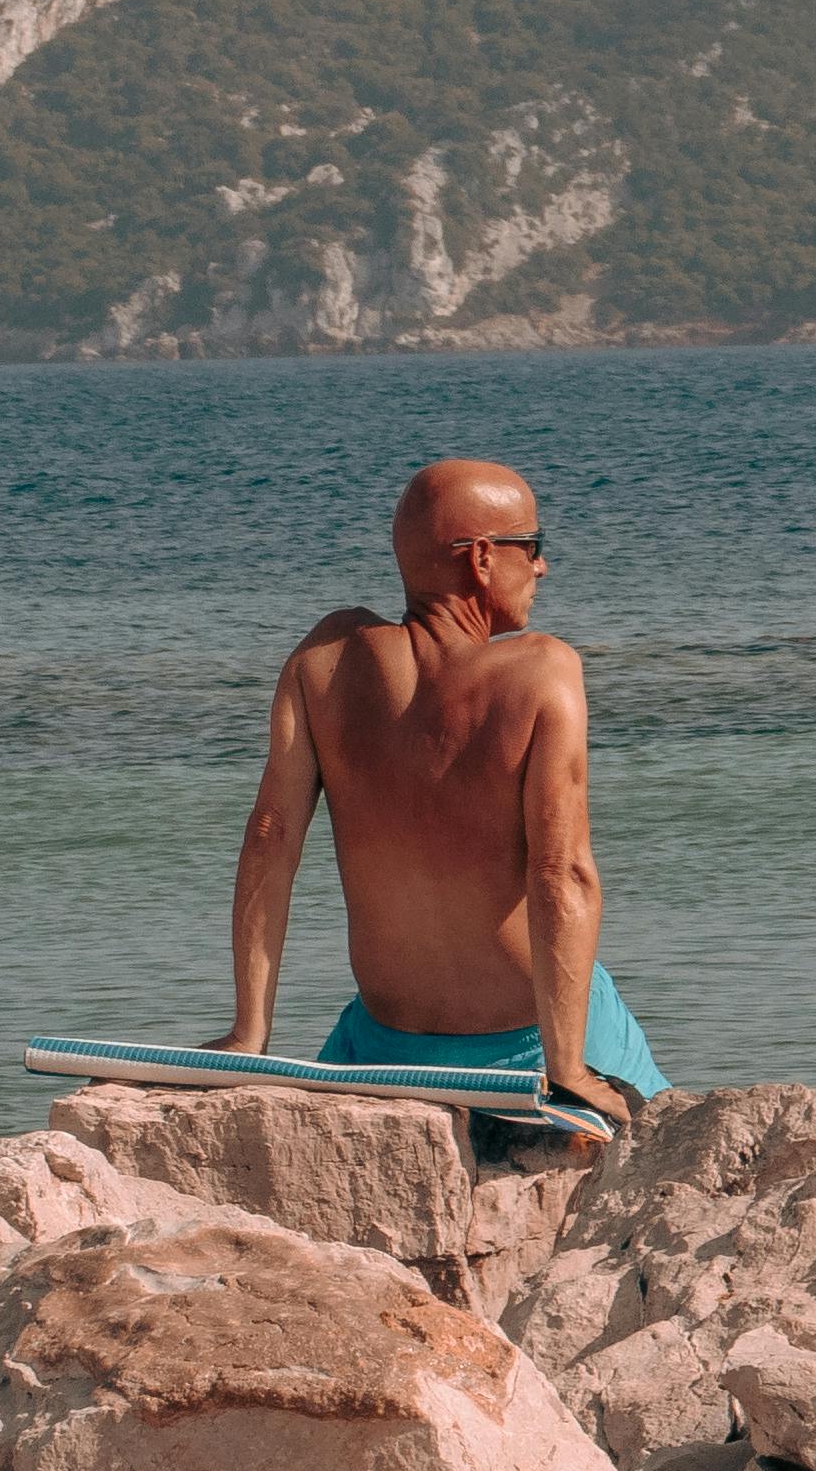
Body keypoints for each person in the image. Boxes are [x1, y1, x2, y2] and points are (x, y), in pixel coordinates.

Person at [223, 453, 663, 1144]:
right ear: (484, 558)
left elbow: (270, 838)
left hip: (384, 1052)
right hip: (531, 1052)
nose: (542, 567)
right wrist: (568, 1066)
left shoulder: (325, 661)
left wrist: (251, 1033)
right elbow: (562, 872)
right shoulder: (543, 671)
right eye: (534, 546)